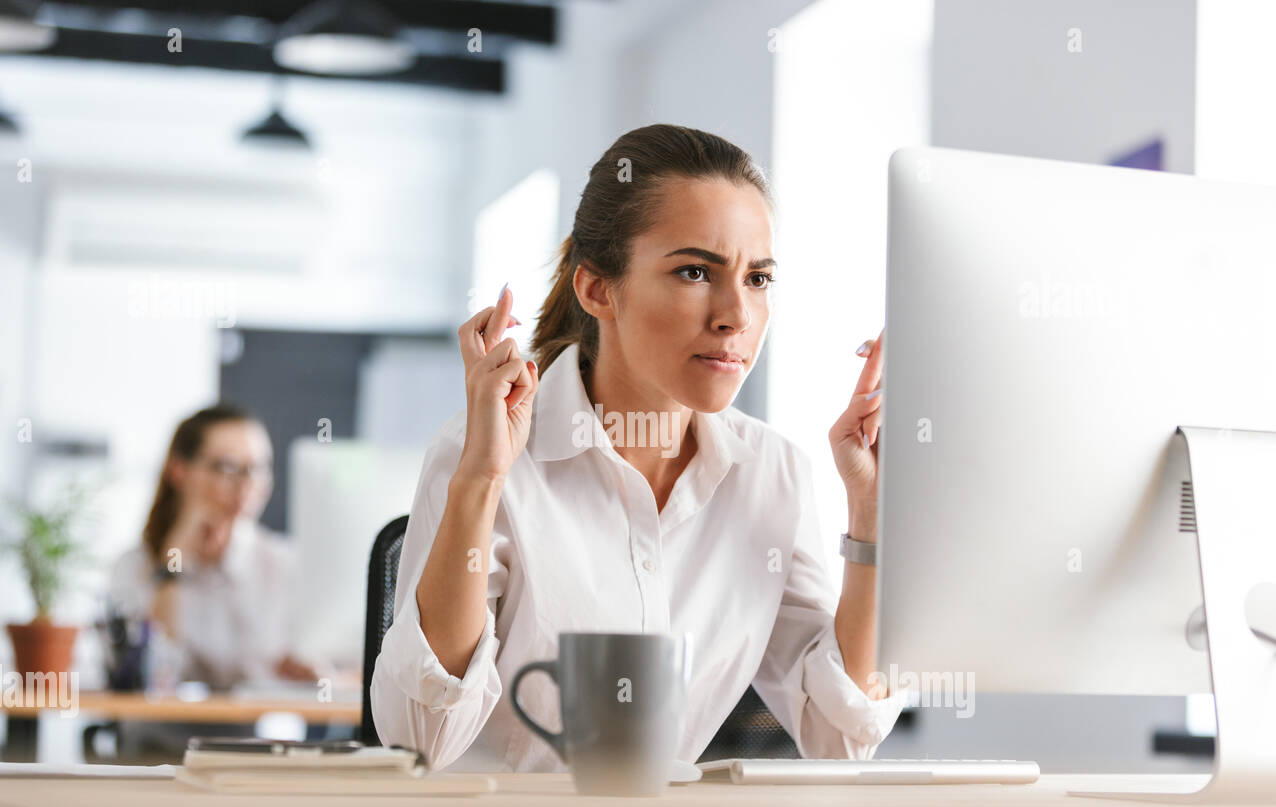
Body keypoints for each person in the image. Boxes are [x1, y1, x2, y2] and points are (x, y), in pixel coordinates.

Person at [371, 123, 904, 772]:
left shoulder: (772, 474)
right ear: (597, 289)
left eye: (758, 279)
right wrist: (481, 479)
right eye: (694, 271)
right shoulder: (485, 448)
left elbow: (839, 734)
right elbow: (419, 740)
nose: (735, 314)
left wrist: (872, 517)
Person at [109, 403, 317, 692]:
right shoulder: (134, 567)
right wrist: (173, 563)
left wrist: (318, 672)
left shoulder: (282, 563)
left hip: (263, 734)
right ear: (179, 471)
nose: (247, 484)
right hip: (159, 735)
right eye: (227, 467)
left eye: (258, 468)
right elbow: (152, 678)